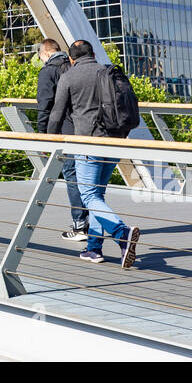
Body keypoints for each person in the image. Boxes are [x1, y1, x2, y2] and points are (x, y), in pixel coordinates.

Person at [47, 40, 141, 268]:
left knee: (89, 195)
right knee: (97, 196)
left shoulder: (69, 77)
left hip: (88, 143)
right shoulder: (107, 71)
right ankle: (93, 249)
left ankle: (121, 233)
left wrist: (48, 139)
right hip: (115, 141)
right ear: (93, 53)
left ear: (71, 58)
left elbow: (57, 114)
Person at [36, 38, 88, 242]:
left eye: (40, 56)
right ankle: (86, 223)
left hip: (65, 131)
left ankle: (80, 225)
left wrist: (43, 136)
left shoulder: (47, 72)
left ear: (46, 54)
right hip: (86, 129)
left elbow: (44, 106)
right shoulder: (73, 67)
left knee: (72, 174)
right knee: (85, 175)